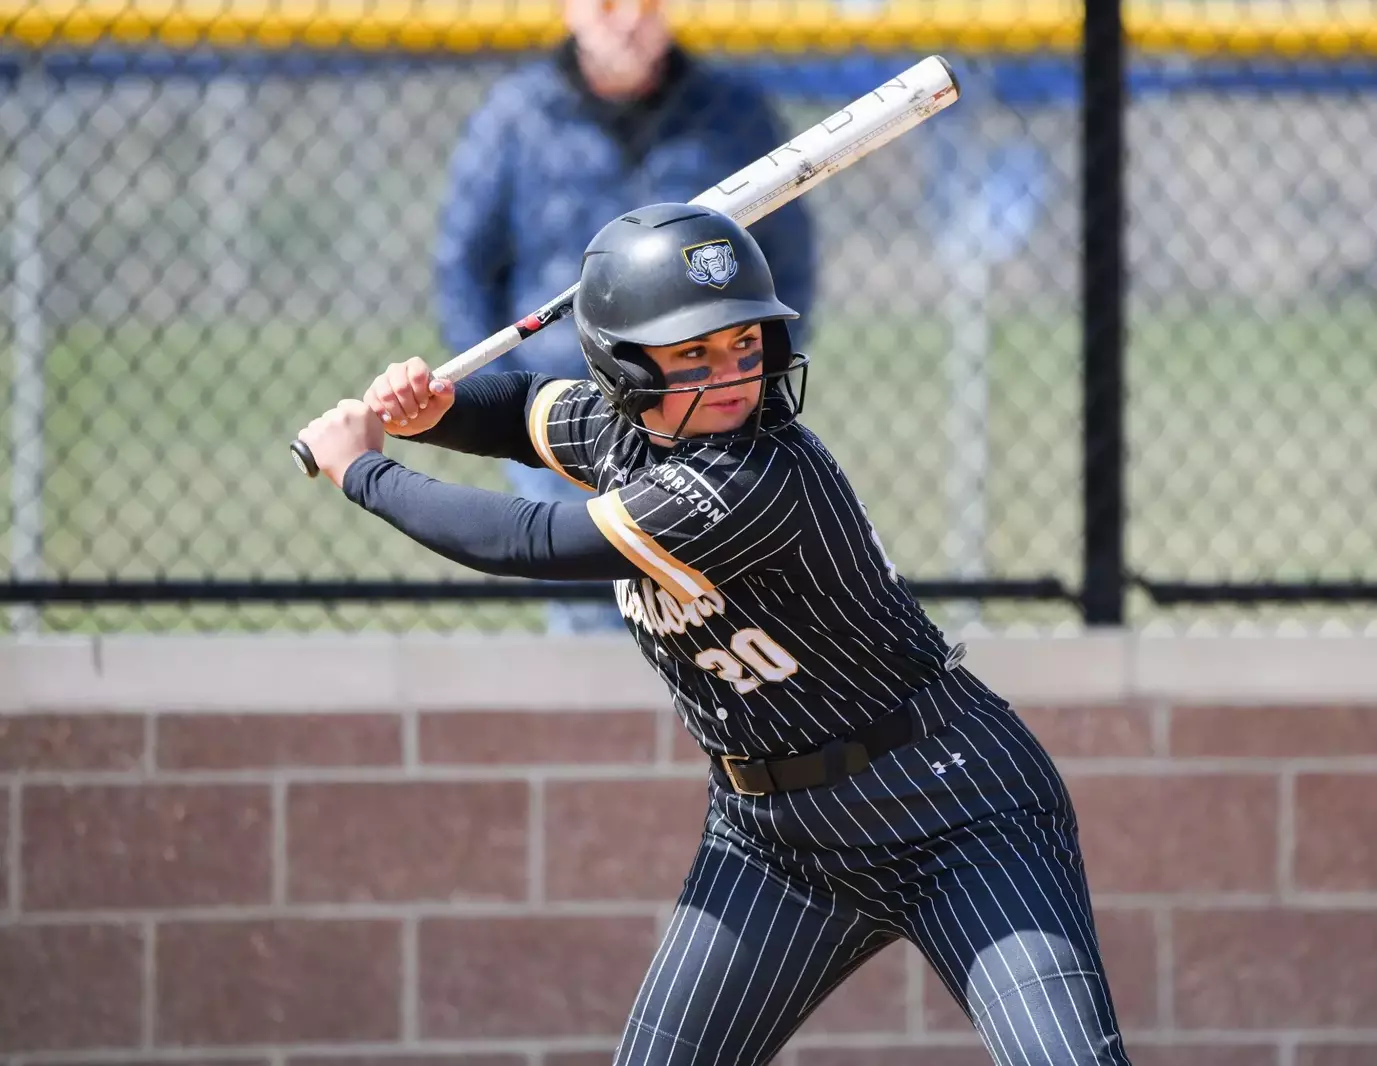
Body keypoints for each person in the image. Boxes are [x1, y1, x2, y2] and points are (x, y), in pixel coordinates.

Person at [295, 203, 1131, 1066]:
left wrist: (364, 469)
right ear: (625, 367)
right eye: (691, 352)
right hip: (773, 840)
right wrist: (433, 408)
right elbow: (523, 408)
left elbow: (524, 542)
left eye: (745, 344)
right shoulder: (626, 432)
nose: (731, 373)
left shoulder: (754, 474)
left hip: (954, 809)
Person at [433, 0, 818, 634]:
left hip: (705, 421)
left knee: (709, 620)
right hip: (565, 412)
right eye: (609, 4)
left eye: (648, 4)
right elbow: (464, 268)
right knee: (594, 622)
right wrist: (504, 394)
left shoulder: (732, 112)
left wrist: (750, 377)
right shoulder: (516, 116)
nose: (631, 19)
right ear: (570, 11)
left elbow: (788, 259)